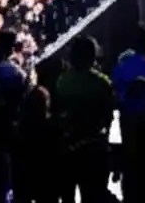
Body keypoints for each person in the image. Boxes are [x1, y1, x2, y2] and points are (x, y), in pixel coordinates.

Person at [55, 36, 114, 203]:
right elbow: (108, 116)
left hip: (68, 146)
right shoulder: (102, 82)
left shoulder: (63, 81)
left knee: (67, 195)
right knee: (93, 194)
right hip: (94, 146)